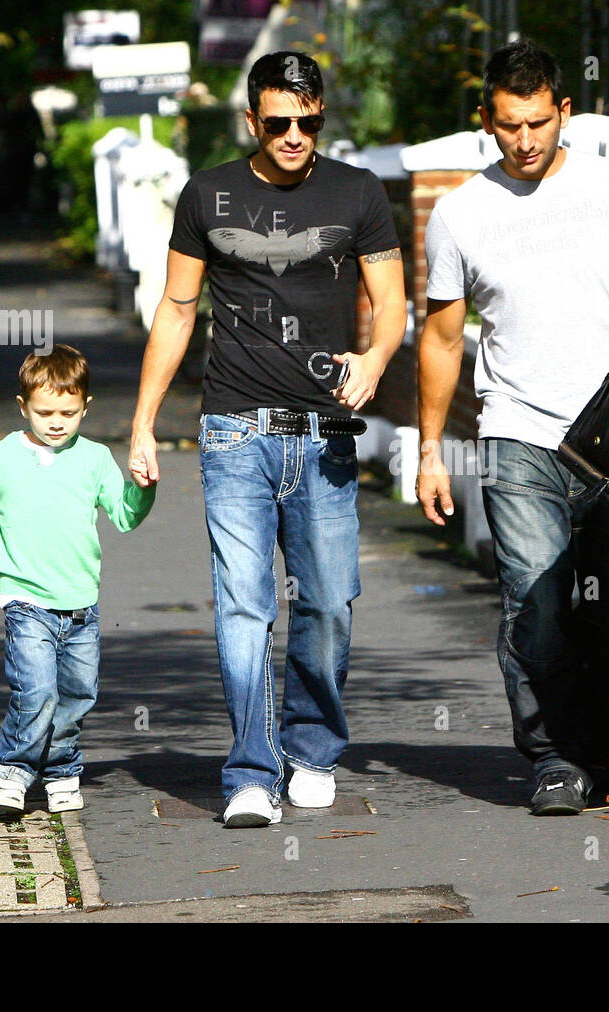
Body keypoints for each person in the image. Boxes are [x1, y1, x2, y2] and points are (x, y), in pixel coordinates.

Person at [417, 40, 609, 816]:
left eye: (539, 122)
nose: (525, 140)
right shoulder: (459, 214)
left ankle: (590, 747)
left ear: (565, 111)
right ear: (487, 121)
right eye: (509, 125)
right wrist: (431, 451)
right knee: (535, 603)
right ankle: (552, 757)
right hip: (517, 433)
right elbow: (441, 338)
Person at [128, 51, 406, 828]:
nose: (293, 135)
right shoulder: (207, 194)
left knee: (328, 603)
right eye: (278, 121)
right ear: (251, 119)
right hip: (234, 433)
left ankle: (311, 749)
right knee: (243, 606)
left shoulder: (358, 191)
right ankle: (251, 771)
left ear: (321, 117)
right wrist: (144, 423)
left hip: (325, 434)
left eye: (307, 122)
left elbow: (391, 302)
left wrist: (375, 358)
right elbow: (176, 309)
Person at [0, 345, 157, 819]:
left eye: (68, 413)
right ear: (23, 406)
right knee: (36, 692)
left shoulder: (94, 459)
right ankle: (11, 772)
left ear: (85, 407)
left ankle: (61, 770)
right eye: (44, 412)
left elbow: (125, 516)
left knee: (77, 696)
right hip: (25, 602)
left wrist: (143, 487)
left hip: (81, 606)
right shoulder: (1, 458)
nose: (56, 423)